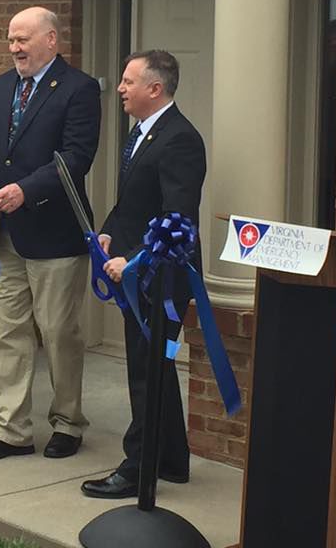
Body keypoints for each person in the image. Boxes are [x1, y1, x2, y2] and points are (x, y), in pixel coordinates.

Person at [0, 6, 100, 462]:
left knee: (59, 333)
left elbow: (76, 157)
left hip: (55, 235)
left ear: (51, 40)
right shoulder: (2, 87)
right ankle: (11, 430)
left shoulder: (79, 89)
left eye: (23, 39)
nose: (15, 48)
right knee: (7, 333)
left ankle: (67, 422)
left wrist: (27, 190)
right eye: (11, 40)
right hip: (3, 236)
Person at [81, 49, 206, 498]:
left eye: (128, 81)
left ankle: (138, 467)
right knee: (155, 368)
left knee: (146, 372)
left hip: (161, 278)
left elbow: (177, 218)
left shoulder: (180, 139)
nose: (119, 88)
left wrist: (132, 259)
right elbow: (133, 203)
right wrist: (110, 234)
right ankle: (171, 459)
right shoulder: (142, 133)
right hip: (138, 273)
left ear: (155, 88)